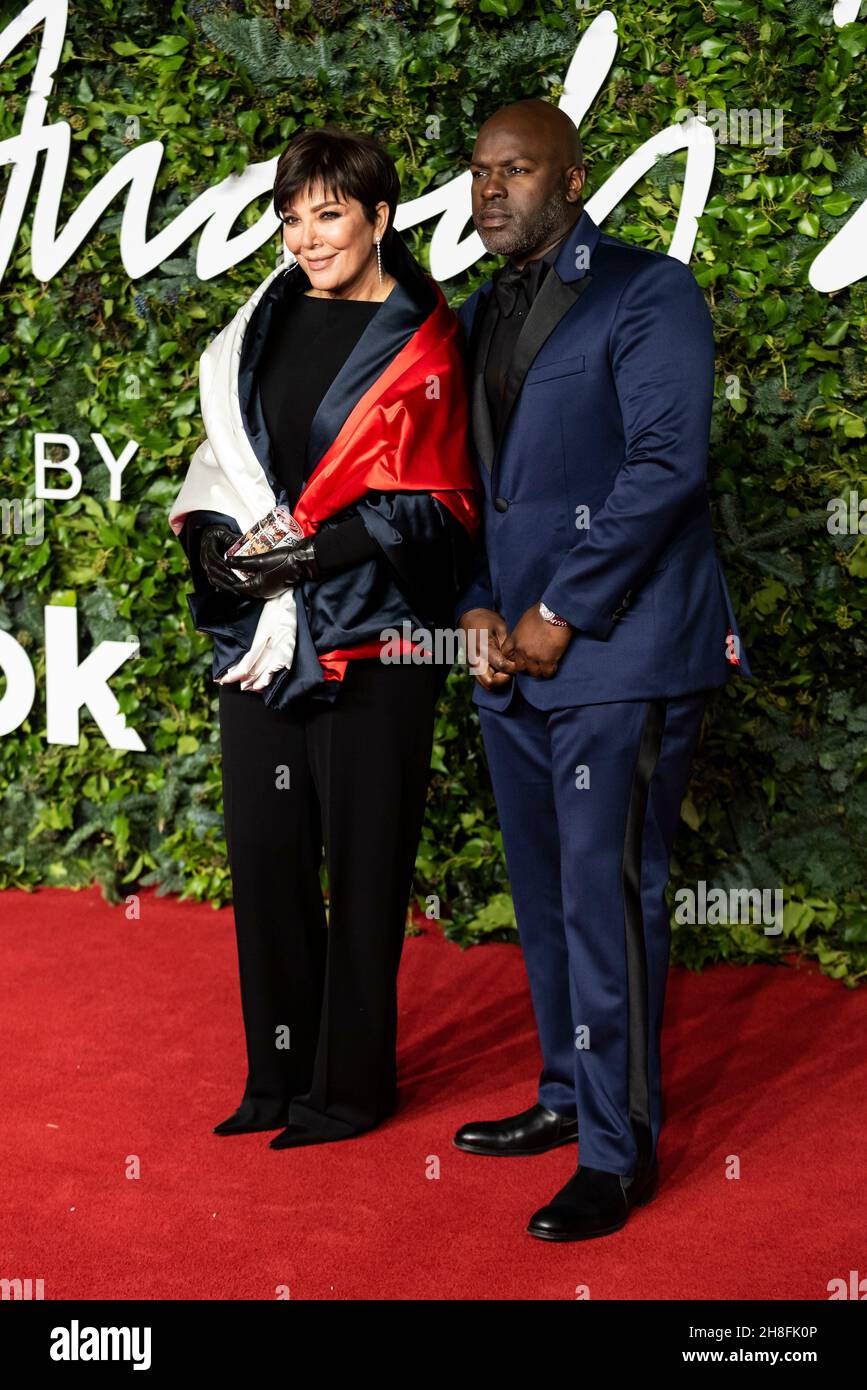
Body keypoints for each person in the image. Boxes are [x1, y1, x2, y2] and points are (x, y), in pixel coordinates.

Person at [453, 99, 751, 1239]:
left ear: (571, 180)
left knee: (607, 900)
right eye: (481, 171)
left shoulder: (649, 289)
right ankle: (568, 1094)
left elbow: (668, 466)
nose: (492, 188)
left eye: (516, 170)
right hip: (511, 663)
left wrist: (561, 611)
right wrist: (478, 603)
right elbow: (487, 490)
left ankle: (618, 1155)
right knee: (542, 897)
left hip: (620, 648)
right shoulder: (478, 313)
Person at [168, 126, 479, 1149]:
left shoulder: (424, 340)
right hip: (263, 636)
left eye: (330, 213)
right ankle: (276, 1074)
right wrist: (219, 547)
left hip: (378, 637)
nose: (307, 236)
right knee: (264, 853)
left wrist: (312, 558)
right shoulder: (257, 326)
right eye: (292, 217)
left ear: (380, 217)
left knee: (365, 860)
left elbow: (442, 507)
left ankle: (349, 1088)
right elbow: (220, 468)